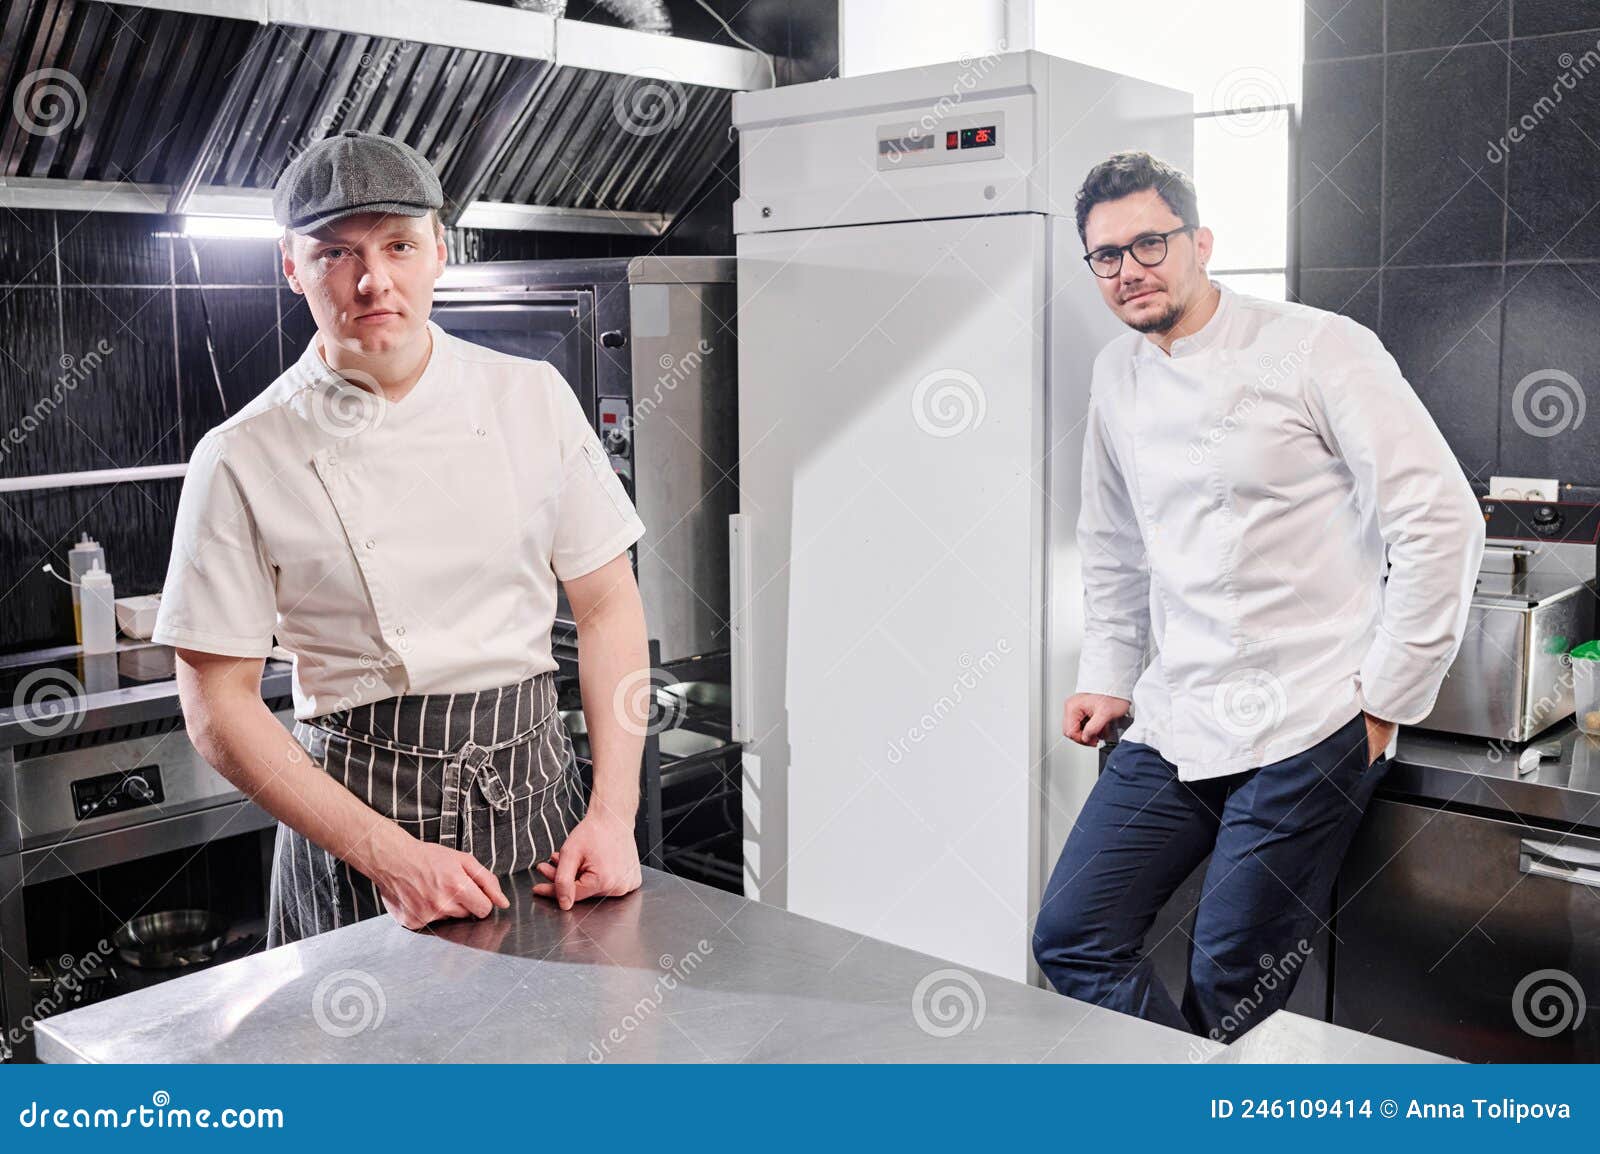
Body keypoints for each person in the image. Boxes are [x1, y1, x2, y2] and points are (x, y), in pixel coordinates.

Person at [152, 130, 650, 945]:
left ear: (438, 251)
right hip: (360, 823)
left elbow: (607, 608)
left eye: (398, 245)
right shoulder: (242, 454)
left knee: (549, 1058)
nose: (373, 280)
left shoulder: (532, 397)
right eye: (336, 254)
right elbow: (214, 703)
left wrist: (614, 813)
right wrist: (387, 856)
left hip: (539, 807)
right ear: (292, 268)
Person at [1032, 151, 1484, 1041]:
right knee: (1073, 934)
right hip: (1179, 709)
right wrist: (1112, 673)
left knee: (1229, 976)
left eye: (1150, 244)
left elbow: (1439, 520)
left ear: (1200, 241)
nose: (1130, 271)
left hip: (1309, 715)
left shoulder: (1318, 347)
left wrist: (1388, 699)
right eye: (1106, 257)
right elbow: (1116, 544)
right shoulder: (1117, 377)